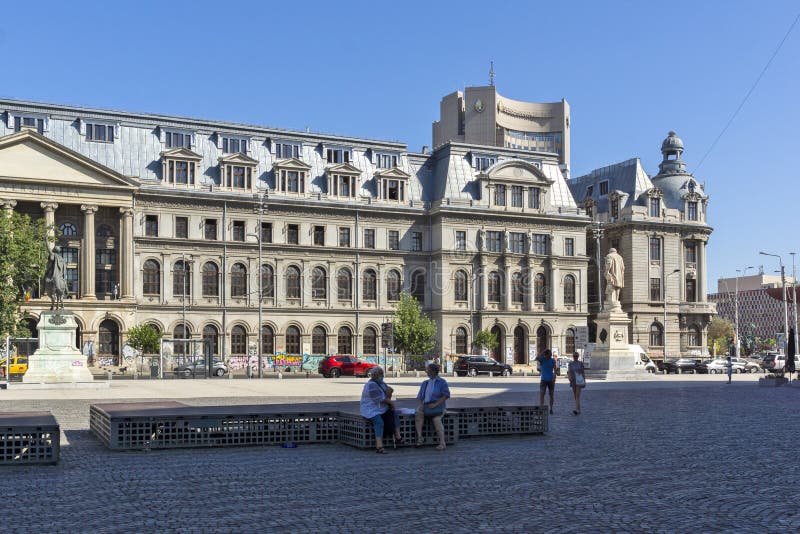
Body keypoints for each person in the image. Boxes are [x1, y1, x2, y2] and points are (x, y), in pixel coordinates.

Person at [360, 366, 401, 453]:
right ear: (374, 375)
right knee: (379, 422)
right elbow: (378, 399)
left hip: (381, 408)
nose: (382, 376)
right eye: (380, 374)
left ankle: (398, 437)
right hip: (371, 409)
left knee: (394, 414)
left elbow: (388, 391)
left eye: (382, 374)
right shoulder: (371, 385)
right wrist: (391, 403)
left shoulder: (381, 383)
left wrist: (390, 392)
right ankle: (379, 446)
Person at [415, 363, 450, 450]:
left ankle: (442, 443)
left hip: (439, 407)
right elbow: (420, 397)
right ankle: (420, 438)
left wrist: (435, 404)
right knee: (418, 413)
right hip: (426, 406)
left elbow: (446, 395)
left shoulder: (442, 382)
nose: (426, 372)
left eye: (428, 370)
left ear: (434, 371)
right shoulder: (425, 383)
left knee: (436, 419)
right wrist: (421, 405)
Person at [536, 349, 557, 414]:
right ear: (547, 354)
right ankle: (541, 408)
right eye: (550, 353)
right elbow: (537, 358)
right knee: (542, 394)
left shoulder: (553, 360)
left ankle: (551, 409)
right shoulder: (542, 359)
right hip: (543, 380)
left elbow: (555, 369)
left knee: (551, 395)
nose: (551, 355)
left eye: (551, 354)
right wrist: (543, 351)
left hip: (551, 380)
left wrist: (554, 377)